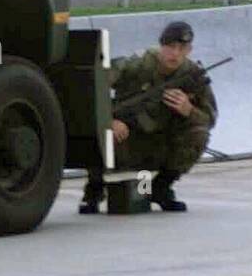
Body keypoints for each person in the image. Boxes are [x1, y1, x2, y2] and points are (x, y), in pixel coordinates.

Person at [80, 20, 217, 214]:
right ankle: (94, 190)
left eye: (182, 48)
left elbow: (210, 119)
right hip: (126, 139)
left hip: (160, 144)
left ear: (189, 49)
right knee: (96, 131)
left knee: (199, 134)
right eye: (170, 47)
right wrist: (108, 121)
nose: (175, 53)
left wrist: (189, 110)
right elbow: (93, 86)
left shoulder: (193, 75)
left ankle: (160, 188)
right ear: (162, 46)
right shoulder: (137, 65)